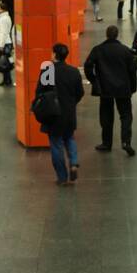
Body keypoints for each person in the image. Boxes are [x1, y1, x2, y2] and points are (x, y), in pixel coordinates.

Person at [34, 43, 85, 185]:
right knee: (69, 138)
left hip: (53, 113)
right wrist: (71, 103)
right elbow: (80, 92)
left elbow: (40, 92)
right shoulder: (73, 71)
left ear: (55, 55)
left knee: (56, 144)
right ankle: (74, 163)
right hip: (69, 112)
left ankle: (62, 178)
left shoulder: (48, 71)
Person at [84, 25, 137, 155]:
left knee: (106, 116)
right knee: (125, 115)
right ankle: (126, 142)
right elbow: (132, 71)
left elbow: (88, 66)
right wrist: (133, 87)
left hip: (105, 88)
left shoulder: (98, 50)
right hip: (123, 88)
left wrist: (94, 81)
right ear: (117, 34)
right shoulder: (125, 51)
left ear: (107, 35)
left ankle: (106, 143)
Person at [0, 0, 14, 87]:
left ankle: (7, 80)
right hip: (4, 42)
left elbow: (3, 33)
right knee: (5, 62)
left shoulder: (4, 19)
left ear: (3, 10)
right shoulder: (3, 18)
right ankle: (6, 79)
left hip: (4, 43)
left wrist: (1, 45)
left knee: (4, 62)